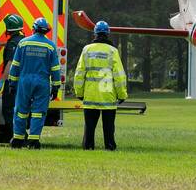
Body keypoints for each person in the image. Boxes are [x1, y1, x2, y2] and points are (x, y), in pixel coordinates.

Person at [7, 17, 62, 149]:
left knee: (20, 111)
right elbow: (55, 69)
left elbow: (15, 65)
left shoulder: (23, 43)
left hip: (25, 81)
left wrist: (12, 83)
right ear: (46, 31)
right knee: (38, 112)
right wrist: (56, 86)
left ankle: (18, 139)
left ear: (33, 28)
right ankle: (34, 141)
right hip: (42, 82)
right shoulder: (50, 46)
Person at [74, 20, 128, 151]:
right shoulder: (112, 51)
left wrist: (79, 93)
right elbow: (119, 75)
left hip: (91, 95)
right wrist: (122, 95)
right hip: (107, 96)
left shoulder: (86, 50)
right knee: (109, 126)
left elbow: (79, 74)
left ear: (95, 34)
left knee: (90, 126)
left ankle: (88, 147)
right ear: (108, 34)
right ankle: (109, 147)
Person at [0, 13, 25, 130]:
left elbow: (10, 63)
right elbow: (14, 44)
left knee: (8, 109)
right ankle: (20, 135)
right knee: (18, 108)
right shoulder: (22, 39)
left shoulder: (13, 43)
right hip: (22, 81)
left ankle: (13, 135)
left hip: (12, 82)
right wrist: (0, 44)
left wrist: (1, 81)